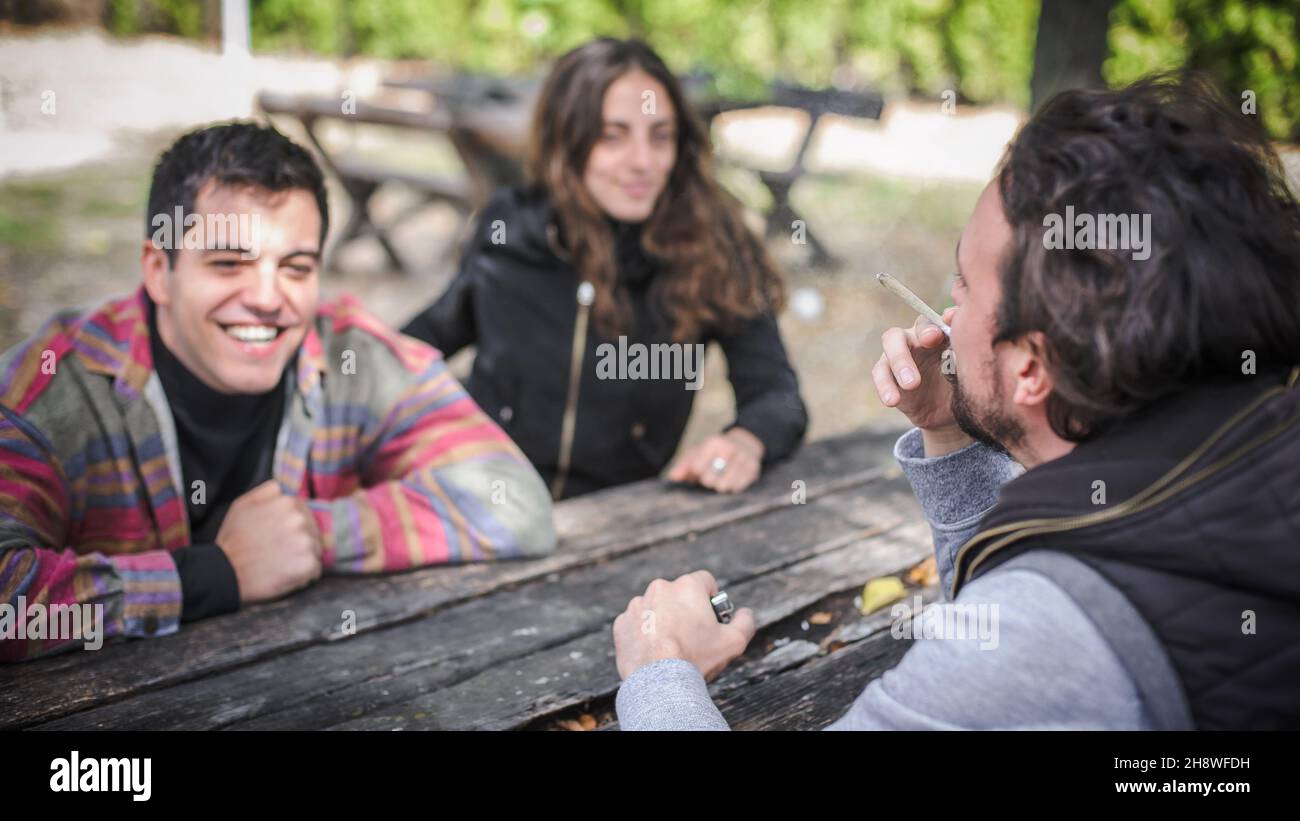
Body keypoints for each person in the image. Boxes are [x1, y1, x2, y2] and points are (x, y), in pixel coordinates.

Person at [611, 74, 1300, 729]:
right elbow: (1013, 618)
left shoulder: (1051, 637)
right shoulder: (1253, 441)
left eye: (963, 288)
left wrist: (660, 670)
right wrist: (953, 433)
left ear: (1030, 368)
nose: (945, 315)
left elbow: (1022, 643)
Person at [0, 122, 555, 661]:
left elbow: (516, 504)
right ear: (158, 270)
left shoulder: (352, 356)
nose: (268, 297)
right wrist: (213, 575)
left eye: (295, 267)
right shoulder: (53, 388)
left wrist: (310, 532)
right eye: (228, 264)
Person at [402, 38, 808, 500]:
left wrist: (744, 442)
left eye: (661, 135)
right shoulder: (510, 224)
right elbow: (434, 333)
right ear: (567, 143)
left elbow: (776, 394)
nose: (643, 162)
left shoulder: (711, 246)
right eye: (612, 136)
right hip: (484, 500)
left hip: (615, 517)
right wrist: (348, 356)